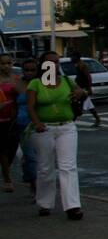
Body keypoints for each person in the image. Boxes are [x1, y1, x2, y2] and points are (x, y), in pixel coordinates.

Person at [26, 50, 86, 220]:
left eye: (57, 62)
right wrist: (37, 123)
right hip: (44, 129)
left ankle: (72, 206)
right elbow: (30, 107)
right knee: (46, 168)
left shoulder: (67, 80)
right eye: (50, 62)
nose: (54, 65)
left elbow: (83, 93)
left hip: (67, 127)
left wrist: (81, 93)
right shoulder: (36, 84)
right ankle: (45, 203)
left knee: (68, 167)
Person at [12, 58, 39, 198]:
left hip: (41, 124)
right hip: (23, 125)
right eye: (26, 70)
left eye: (32, 70)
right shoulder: (17, 84)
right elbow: (13, 105)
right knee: (30, 157)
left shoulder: (42, 83)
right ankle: (34, 186)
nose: (29, 73)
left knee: (41, 157)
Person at [0, 53, 20, 192]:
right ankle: (7, 178)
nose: (6, 66)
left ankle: (5, 169)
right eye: (3, 63)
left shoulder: (17, 79)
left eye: (8, 63)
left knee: (12, 149)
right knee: (3, 149)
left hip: (14, 120)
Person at [69, 52, 101, 127]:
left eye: (72, 56)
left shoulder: (82, 65)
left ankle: (71, 122)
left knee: (77, 104)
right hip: (80, 88)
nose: (71, 58)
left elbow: (88, 77)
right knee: (87, 105)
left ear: (77, 57)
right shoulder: (77, 65)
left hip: (83, 89)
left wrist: (89, 88)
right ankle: (97, 119)